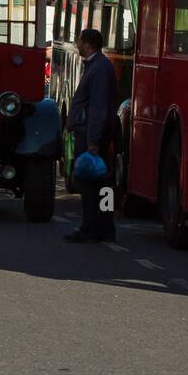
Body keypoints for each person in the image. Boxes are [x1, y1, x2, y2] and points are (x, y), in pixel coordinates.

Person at [64, 28, 118, 243]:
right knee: (103, 184)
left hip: (91, 136)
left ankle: (92, 227)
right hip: (92, 134)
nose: (77, 45)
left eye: (78, 41)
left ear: (87, 44)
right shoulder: (97, 66)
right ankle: (104, 227)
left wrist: (93, 141)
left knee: (89, 184)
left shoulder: (99, 68)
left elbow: (98, 108)